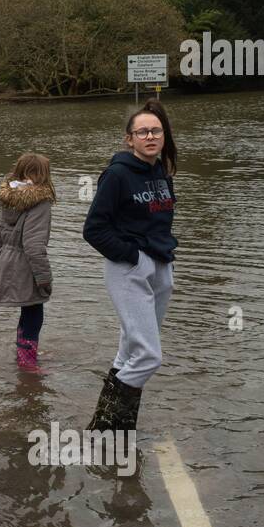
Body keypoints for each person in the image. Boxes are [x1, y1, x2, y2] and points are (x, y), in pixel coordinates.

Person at [82, 99, 178, 432]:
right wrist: (134, 258)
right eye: (143, 131)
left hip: (162, 267)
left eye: (156, 130)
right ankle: (109, 425)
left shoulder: (161, 172)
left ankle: (108, 435)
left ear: (163, 136)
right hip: (129, 268)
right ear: (129, 139)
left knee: (130, 351)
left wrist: (161, 260)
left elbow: (160, 221)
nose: (150, 136)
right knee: (149, 356)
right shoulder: (117, 174)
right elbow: (93, 229)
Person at [0, 153, 55, 371]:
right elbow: (34, 246)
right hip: (26, 264)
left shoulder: (9, 195)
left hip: (7, 258)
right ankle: (27, 360)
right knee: (34, 311)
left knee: (27, 311)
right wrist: (44, 278)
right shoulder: (41, 201)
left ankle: (24, 351)